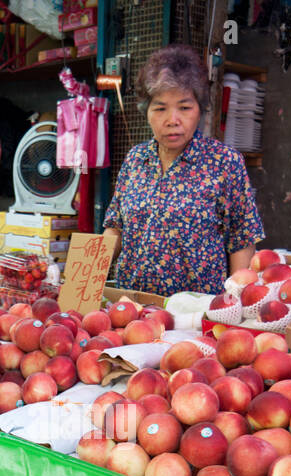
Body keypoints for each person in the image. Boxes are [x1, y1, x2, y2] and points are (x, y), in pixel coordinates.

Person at [102, 44, 265, 296]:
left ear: (199, 110)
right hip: (130, 305)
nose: (172, 120)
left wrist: (234, 303)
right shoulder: (135, 160)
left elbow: (241, 239)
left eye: (185, 107)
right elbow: (115, 227)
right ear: (146, 112)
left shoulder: (224, 162)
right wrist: (84, 275)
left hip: (194, 311)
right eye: (160, 108)